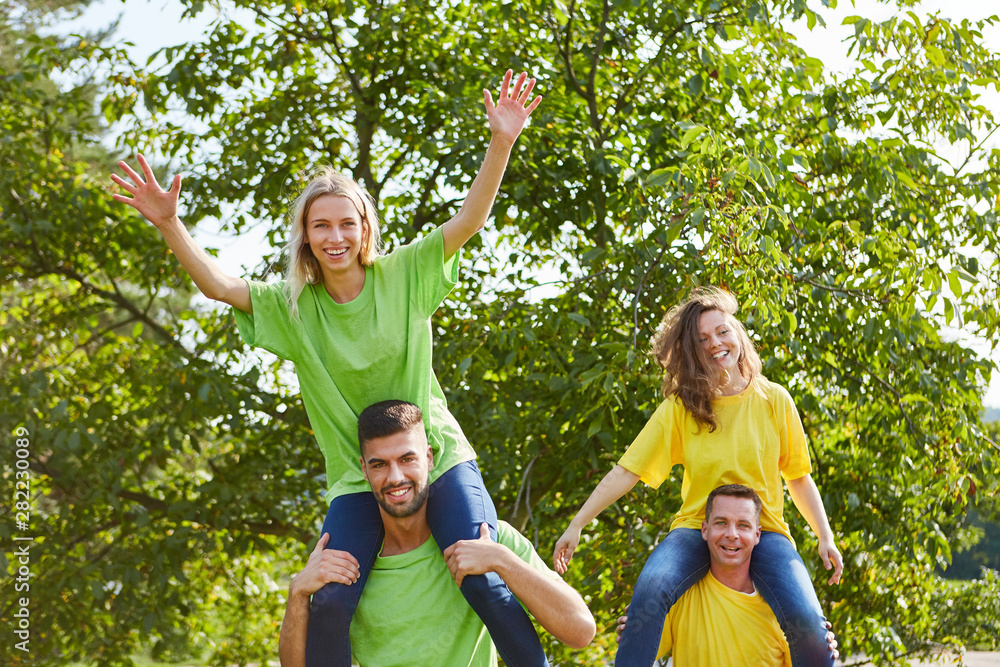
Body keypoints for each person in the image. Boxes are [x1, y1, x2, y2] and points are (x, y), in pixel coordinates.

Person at [111, 70, 547, 667]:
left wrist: (502, 141)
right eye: (321, 225)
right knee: (333, 605)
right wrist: (169, 222)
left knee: (480, 578)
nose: (335, 235)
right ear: (306, 239)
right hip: (353, 478)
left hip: (438, 461)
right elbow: (218, 285)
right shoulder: (292, 309)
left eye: (347, 223)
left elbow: (469, 221)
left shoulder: (405, 275)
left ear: (365, 229)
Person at [552, 286, 843, 667]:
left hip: (766, 531)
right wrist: (577, 524)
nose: (715, 343)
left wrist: (825, 536)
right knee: (651, 590)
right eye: (702, 339)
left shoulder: (775, 401)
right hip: (696, 528)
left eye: (722, 331)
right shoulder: (682, 408)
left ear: (737, 332)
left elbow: (799, 478)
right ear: (692, 351)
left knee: (810, 624)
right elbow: (627, 470)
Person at [277, 400, 596, 666]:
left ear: (429, 458)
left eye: (407, 459)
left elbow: (580, 631)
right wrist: (298, 594)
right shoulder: (345, 563)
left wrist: (502, 560)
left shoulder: (486, 541)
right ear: (364, 470)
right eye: (379, 465)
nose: (395, 477)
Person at [614, 484, 840, 666]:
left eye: (743, 525)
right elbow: (639, 646)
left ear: (757, 534)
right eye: (721, 523)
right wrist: (633, 627)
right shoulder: (679, 597)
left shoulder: (785, 610)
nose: (731, 535)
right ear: (704, 529)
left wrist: (818, 642)